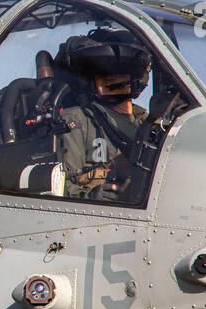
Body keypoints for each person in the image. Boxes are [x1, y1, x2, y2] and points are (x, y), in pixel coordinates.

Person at [54, 28, 152, 200]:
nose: (113, 80)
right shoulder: (77, 121)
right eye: (105, 76)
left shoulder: (149, 125)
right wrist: (92, 197)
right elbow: (60, 187)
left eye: (120, 74)